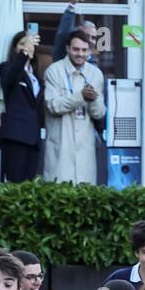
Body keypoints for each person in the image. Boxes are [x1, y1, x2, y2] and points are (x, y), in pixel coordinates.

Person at [43, 32, 105, 184]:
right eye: (76, 49)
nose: (80, 54)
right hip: (62, 146)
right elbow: (53, 106)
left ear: (90, 51)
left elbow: (99, 113)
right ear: (67, 49)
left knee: (85, 198)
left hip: (85, 148)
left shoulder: (95, 73)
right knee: (59, 195)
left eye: (84, 50)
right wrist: (81, 97)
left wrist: (93, 99)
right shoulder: (54, 71)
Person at [0, 29, 46, 183]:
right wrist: (24, 54)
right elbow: (11, 77)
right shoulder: (6, 67)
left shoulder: (35, 75)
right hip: (15, 137)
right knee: (14, 183)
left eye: (29, 44)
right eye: (22, 44)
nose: (26, 47)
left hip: (33, 138)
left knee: (29, 185)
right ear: (14, 48)